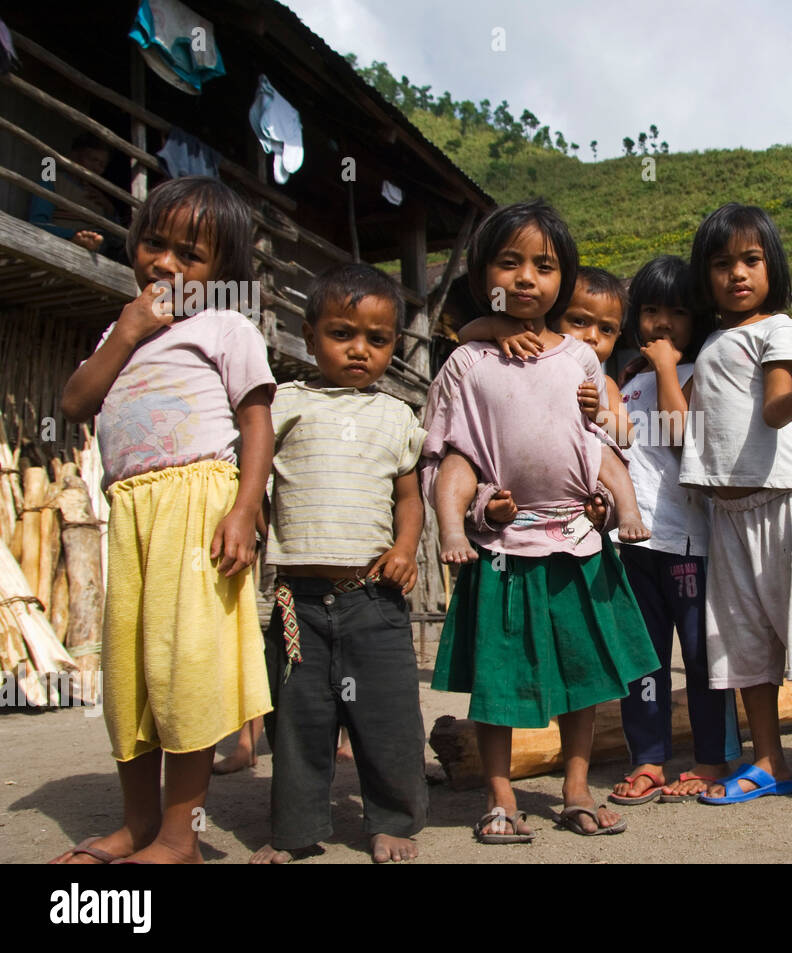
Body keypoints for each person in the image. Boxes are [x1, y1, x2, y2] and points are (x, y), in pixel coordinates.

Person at [420, 200, 659, 842]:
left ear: (564, 277)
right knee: (499, 681)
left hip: (575, 538)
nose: (527, 278)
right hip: (501, 542)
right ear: (483, 274)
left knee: (584, 675)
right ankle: (502, 798)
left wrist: (606, 501)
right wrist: (476, 510)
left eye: (544, 266)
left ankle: (576, 788)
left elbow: (600, 440)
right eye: (509, 263)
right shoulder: (467, 362)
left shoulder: (582, 359)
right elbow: (441, 446)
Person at [52, 176, 273, 864]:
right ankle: (136, 825)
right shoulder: (121, 330)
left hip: (197, 507)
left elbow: (257, 420)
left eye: (192, 254)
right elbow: (75, 401)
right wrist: (127, 329)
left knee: (184, 672)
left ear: (224, 272)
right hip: (132, 512)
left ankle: (179, 837)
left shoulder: (227, 327)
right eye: (154, 243)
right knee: (133, 678)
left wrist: (244, 506)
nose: (166, 264)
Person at [673, 203, 792, 819]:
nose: (737, 273)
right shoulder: (710, 342)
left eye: (751, 260)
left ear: (772, 267)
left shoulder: (778, 330)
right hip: (725, 514)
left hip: (785, 502)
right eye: (722, 262)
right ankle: (769, 761)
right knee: (742, 641)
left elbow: (777, 409)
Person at [250, 263, 428, 864]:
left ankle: (392, 820)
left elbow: (410, 497)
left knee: (390, 717)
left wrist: (404, 549)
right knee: (298, 723)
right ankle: (295, 832)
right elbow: (253, 475)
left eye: (377, 340)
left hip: (373, 597)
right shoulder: (280, 405)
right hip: (296, 601)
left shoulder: (399, 416)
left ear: (394, 347)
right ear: (308, 335)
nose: (360, 350)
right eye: (342, 334)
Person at [597, 256, 742, 805]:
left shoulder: (700, 371)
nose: (662, 323)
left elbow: (685, 440)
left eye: (677, 312)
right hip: (634, 541)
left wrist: (663, 368)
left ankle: (711, 759)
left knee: (703, 657)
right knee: (644, 657)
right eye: (652, 311)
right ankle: (649, 759)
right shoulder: (629, 378)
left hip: (690, 543)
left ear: (697, 318)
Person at [450, 267, 649, 547]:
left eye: (606, 329)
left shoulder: (606, 383)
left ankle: (630, 514)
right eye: (579, 321)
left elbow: (626, 438)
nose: (592, 336)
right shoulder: (528, 359)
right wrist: (496, 327)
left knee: (606, 454)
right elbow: (465, 335)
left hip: (581, 483)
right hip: (529, 487)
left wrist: (599, 414)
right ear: (553, 318)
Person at [28, 132, 124, 257]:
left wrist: (109, 209)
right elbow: (38, 223)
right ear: (74, 156)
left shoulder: (99, 197)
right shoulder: (53, 180)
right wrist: (73, 236)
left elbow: (118, 240)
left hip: (99, 252)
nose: (97, 168)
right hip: (61, 248)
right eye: (93, 160)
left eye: (102, 165)